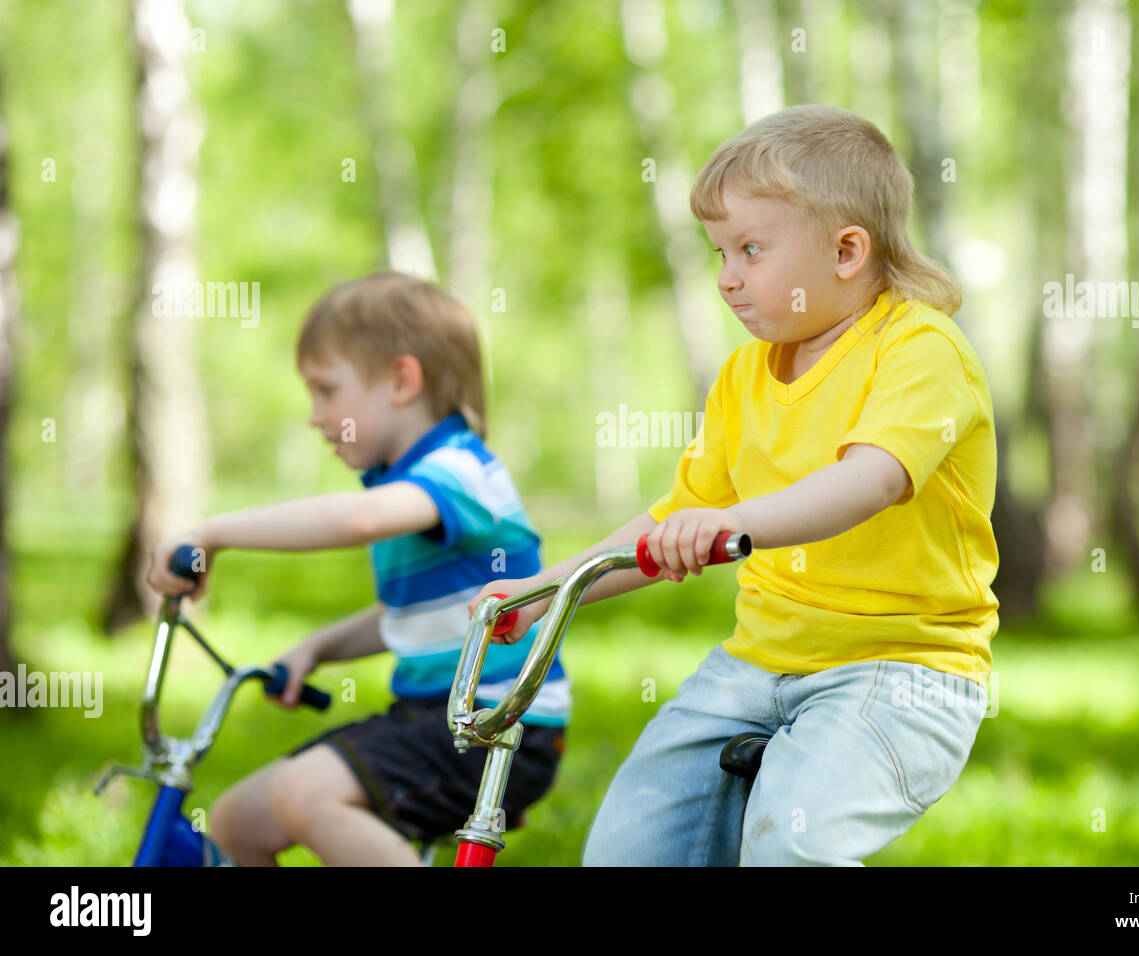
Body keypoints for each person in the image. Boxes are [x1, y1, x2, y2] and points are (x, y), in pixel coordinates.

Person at [472, 105, 998, 866]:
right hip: (755, 663)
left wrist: (734, 524)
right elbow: (678, 514)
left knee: (792, 843)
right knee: (625, 851)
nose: (726, 278)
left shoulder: (920, 351)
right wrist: (547, 591)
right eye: (719, 252)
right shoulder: (745, 373)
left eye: (751, 250)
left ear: (848, 250)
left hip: (903, 670)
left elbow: (870, 481)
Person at [147, 272, 568, 866]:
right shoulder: (410, 486)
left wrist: (213, 533)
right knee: (237, 820)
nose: (316, 418)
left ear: (401, 380)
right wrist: (316, 649)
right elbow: (411, 615)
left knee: (305, 792)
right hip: (429, 721)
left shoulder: (460, 470)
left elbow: (359, 519)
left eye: (326, 391)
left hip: (501, 728)